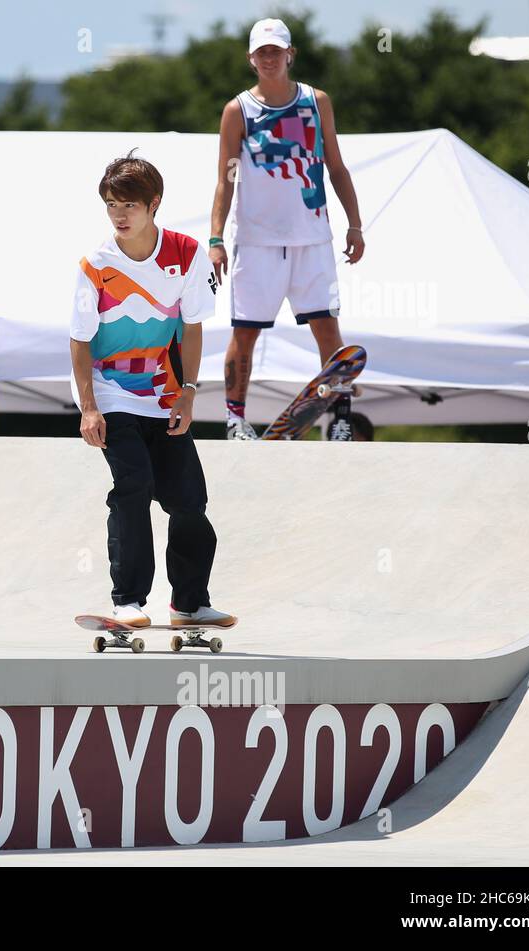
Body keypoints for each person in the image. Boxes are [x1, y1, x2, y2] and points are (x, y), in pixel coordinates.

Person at [70, 150, 236, 630]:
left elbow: (193, 326)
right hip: (112, 393)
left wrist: (188, 390)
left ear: (153, 204)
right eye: (111, 205)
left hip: (165, 394)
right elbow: (80, 342)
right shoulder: (94, 266)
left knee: (188, 499)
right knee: (134, 486)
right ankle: (128, 601)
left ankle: (188, 602)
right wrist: (89, 408)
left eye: (129, 206)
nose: (119, 216)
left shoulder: (185, 254)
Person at [209, 17, 365, 442]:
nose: (269, 58)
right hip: (258, 241)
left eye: (276, 50)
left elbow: (336, 166)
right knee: (245, 332)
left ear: (290, 54)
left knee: (327, 329)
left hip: (312, 237)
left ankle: (340, 417)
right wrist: (216, 238)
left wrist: (355, 224)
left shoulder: (317, 101)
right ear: (251, 58)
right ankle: (235, 420)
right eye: (262, 52)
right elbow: (226, 177)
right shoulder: (238, 110)